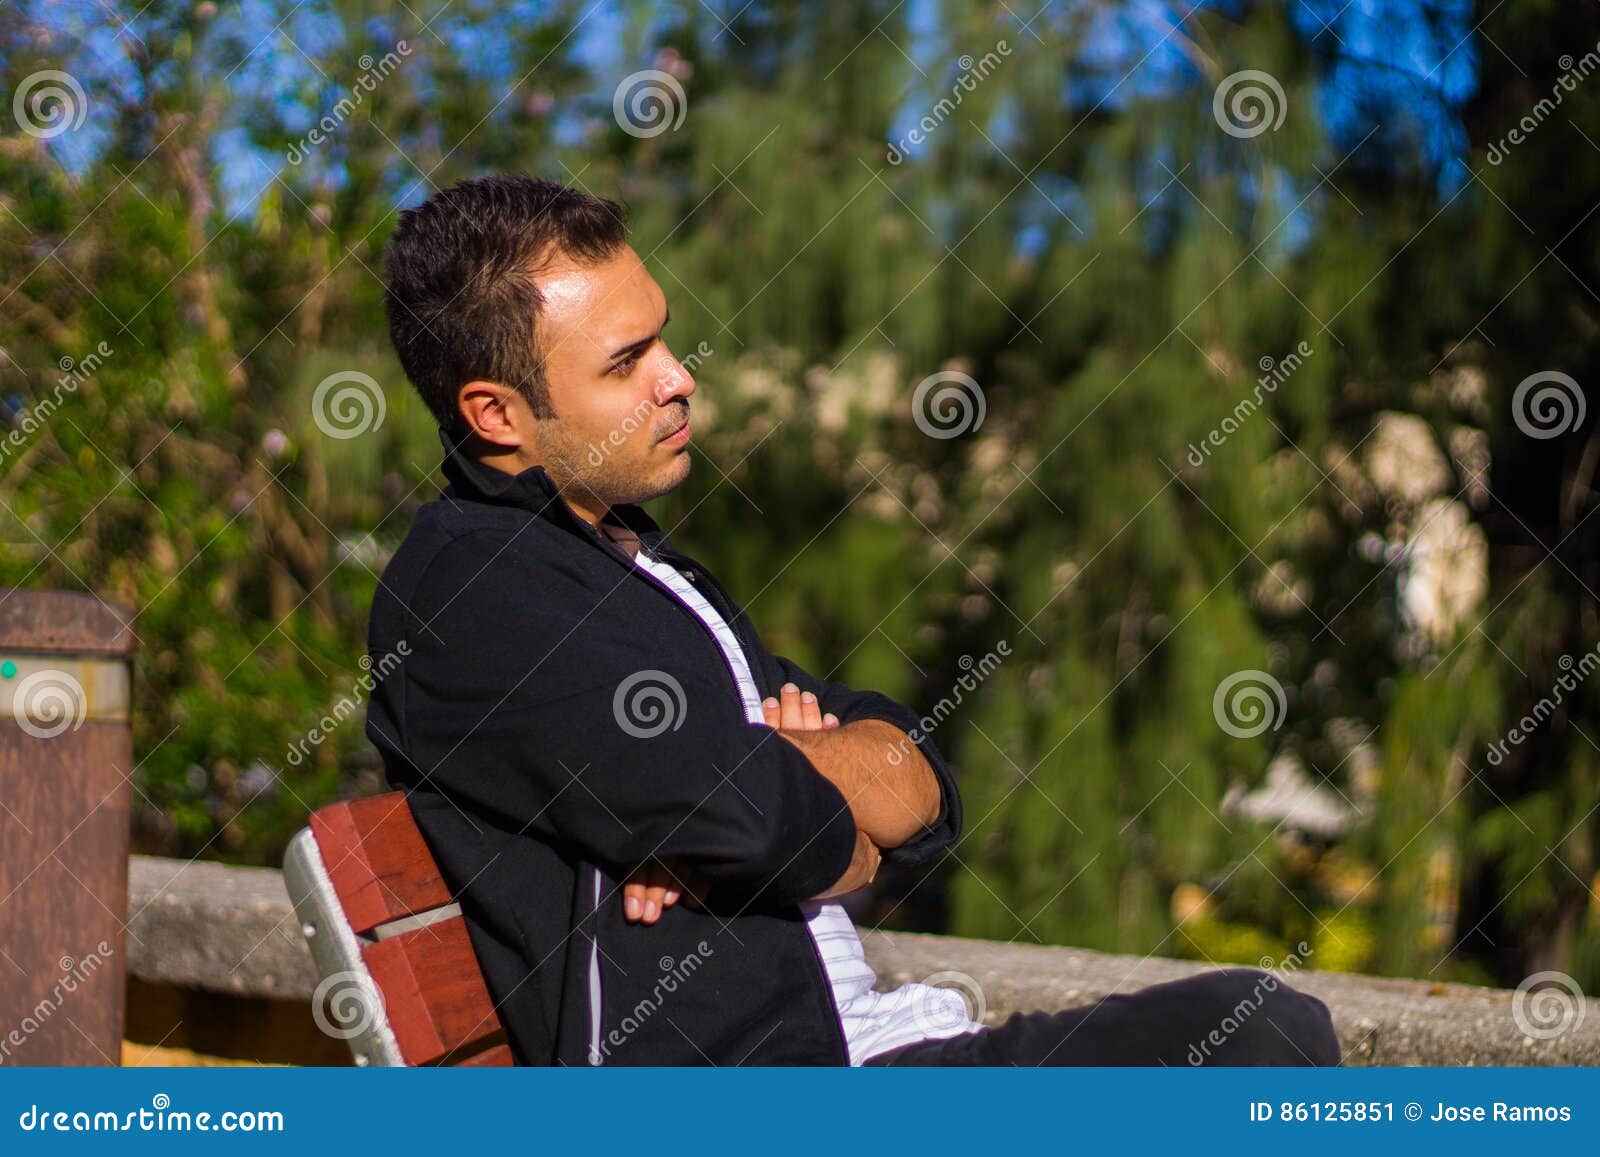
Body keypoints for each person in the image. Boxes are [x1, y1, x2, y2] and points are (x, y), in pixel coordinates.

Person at [364, 173, 1341, 1068]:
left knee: (1262, 1019)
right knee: (1252, 1044)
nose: (678, 376)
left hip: (868, 1042)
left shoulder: (642, 563)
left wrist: (776, 778)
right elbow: (767, 824)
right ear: (496, 414)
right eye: (627, 363)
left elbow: (919, 783)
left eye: (664, 338)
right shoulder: (473, 595)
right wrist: (808, 813)